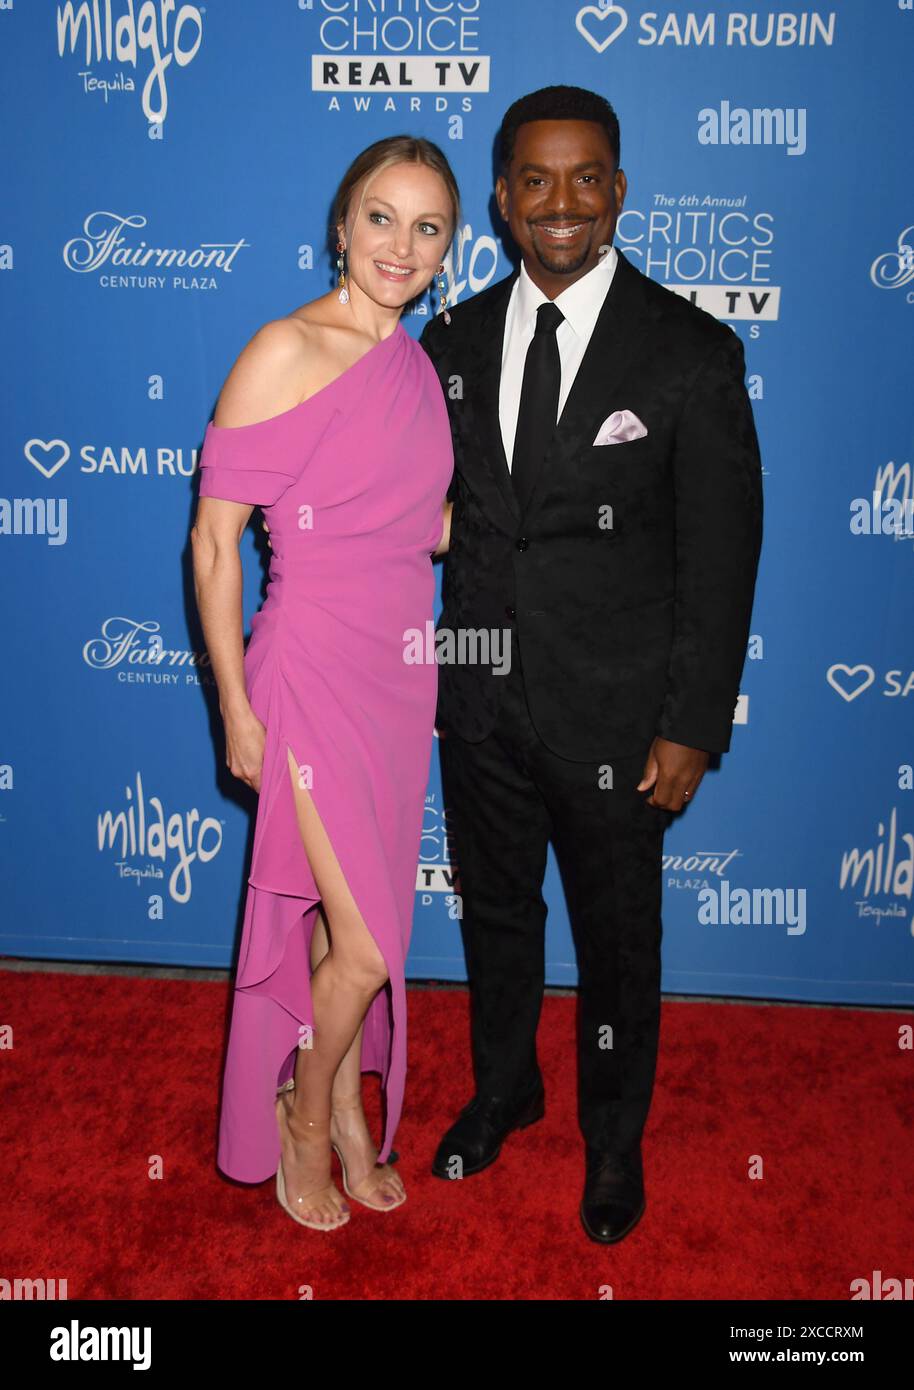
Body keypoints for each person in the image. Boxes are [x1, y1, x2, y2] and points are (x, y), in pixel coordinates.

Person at [420, 86, 763, 1243]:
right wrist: (441, 684)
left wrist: (690, 724)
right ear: (503, 199)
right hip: (481, 712)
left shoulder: (688, 351)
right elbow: (456, 531)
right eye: (533, 180)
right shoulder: (452, 339)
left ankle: (612, 1144)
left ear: (617, 188)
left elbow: (721, 558)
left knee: (617, 945)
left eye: (583, 178)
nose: (558, 202)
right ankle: (504, 1087)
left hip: (620, 721)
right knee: (495, 917)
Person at [192, 135, 457, 1231]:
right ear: (341, 225)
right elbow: (213, 546)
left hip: (397, 676)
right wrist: (235, 707)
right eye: (380, 218)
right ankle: (310, 1115)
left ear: (448, 247)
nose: (400, 245)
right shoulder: (282, 348)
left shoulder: (417, 366)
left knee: (345, 919)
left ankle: (346, 1106)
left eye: (426, 226)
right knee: (360, 942)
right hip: (304, 670)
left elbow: (422, 530)